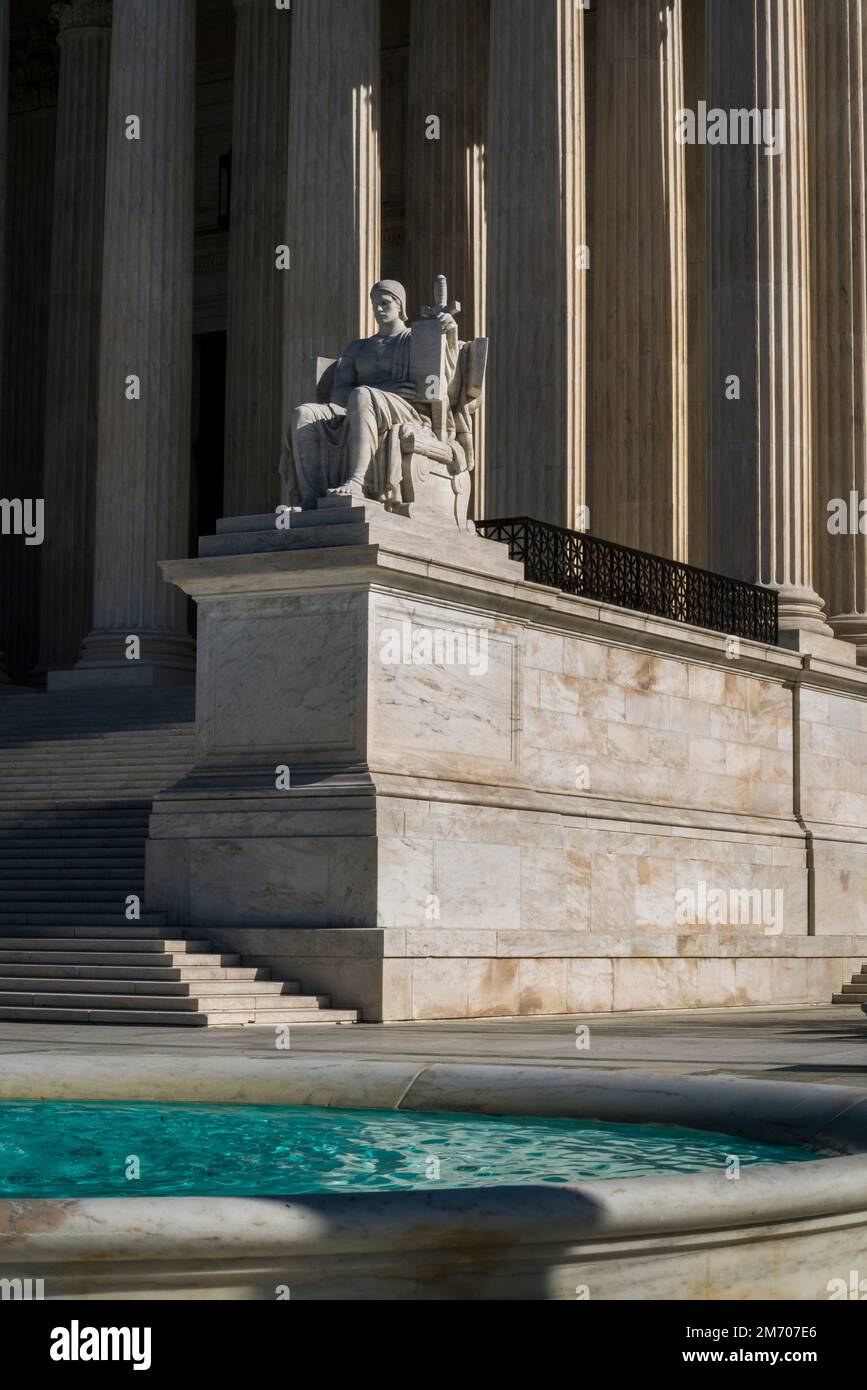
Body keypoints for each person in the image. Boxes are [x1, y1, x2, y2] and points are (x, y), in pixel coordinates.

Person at [279, 280, 459, 509]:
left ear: (400, 306)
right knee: (302, 413)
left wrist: (449, 333)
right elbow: (338, 395)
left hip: (407, 411)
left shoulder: (416, 339)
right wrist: (384, 389)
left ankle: (357, 481)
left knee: (362, 395)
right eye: (375, 304)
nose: (378, 309)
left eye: (385, 303)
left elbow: (445, 375)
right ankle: (310, 498)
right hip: (358, 407)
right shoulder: (356, 348)